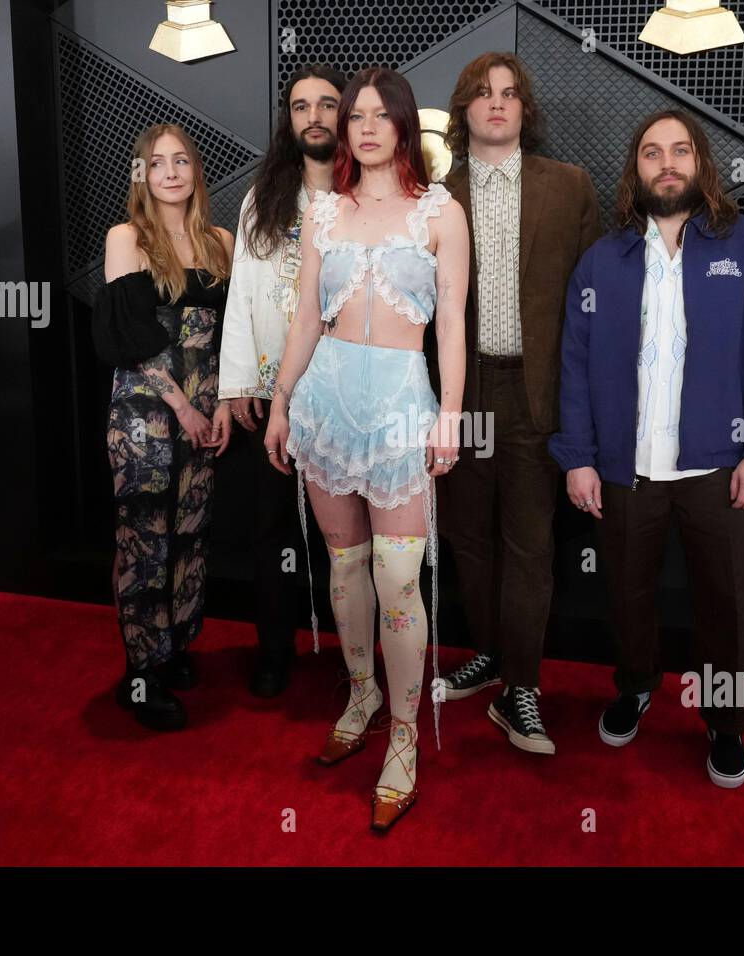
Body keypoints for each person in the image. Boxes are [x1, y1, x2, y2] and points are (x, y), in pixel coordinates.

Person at [549, 110, 744, 787]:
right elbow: (573, 364)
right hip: (625, 469)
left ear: (700, 163)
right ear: (636, 170)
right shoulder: (603, 261)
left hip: (717, 468)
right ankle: (635, 686)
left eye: (680, 151)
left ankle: (726, 724)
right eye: (652, 153)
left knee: (724, 604)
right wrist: (577, 456)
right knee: (627, 595)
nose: (667, 163)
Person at [263, 67, 468, 831]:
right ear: (344, 130)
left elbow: (450, 322)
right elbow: (305, 320)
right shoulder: (322, 212)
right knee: (344, 565)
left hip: (398, 411)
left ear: (407, 125)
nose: (368, 127)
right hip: (325, 403)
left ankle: (407, 740)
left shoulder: (442, 213)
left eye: (384, 115)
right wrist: (281, 401)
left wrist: (450, 413)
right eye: (357, 117)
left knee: (398, 578)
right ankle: (362, 692)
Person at [432, 53, 602, 755]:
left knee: (530, 548)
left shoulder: (569, 187)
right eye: (482, 94)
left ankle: (522, 688)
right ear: (463, 110)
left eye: (508, 94)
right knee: (469, 540)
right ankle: (491, 654)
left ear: (524, 110)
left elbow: (592, 307)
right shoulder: (437, 196)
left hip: (537, 393)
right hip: (460, 392)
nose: (496, 104)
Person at [93, 124, 234, 732]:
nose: (171, 172)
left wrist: (224, 404)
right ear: (141, 175)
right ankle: (140, 673)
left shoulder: (222, 241)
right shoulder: (127, 238)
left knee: (191, 533)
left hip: (205, 413)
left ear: (196, 171)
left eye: (182, 161)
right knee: (145, 538)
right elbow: (131, 337)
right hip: (146, 415)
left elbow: (235, 334)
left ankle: (171, 646)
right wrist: (184, 406)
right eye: (157, 163)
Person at [213, 65, 346, 698]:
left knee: (347, 537)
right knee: (270, 533)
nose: (314, 116)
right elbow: (240, 295)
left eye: (327, 104)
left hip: (348, 395)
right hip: (274, 397)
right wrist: (236, 381)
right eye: (301, 107)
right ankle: (274, 651)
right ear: (288, 119)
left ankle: (356, 661)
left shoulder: (364, 194)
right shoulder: (259, 198)